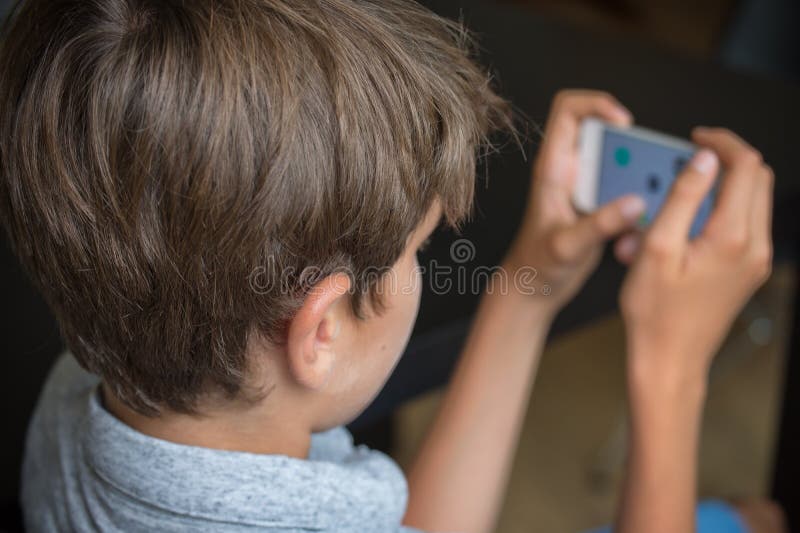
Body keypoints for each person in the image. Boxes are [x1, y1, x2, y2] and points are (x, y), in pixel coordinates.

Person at [0, 0, 779, 531]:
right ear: (321, 330)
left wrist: (525, 290)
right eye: (420, 250)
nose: (426, 263)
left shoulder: (88, 378)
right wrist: (670, 368)